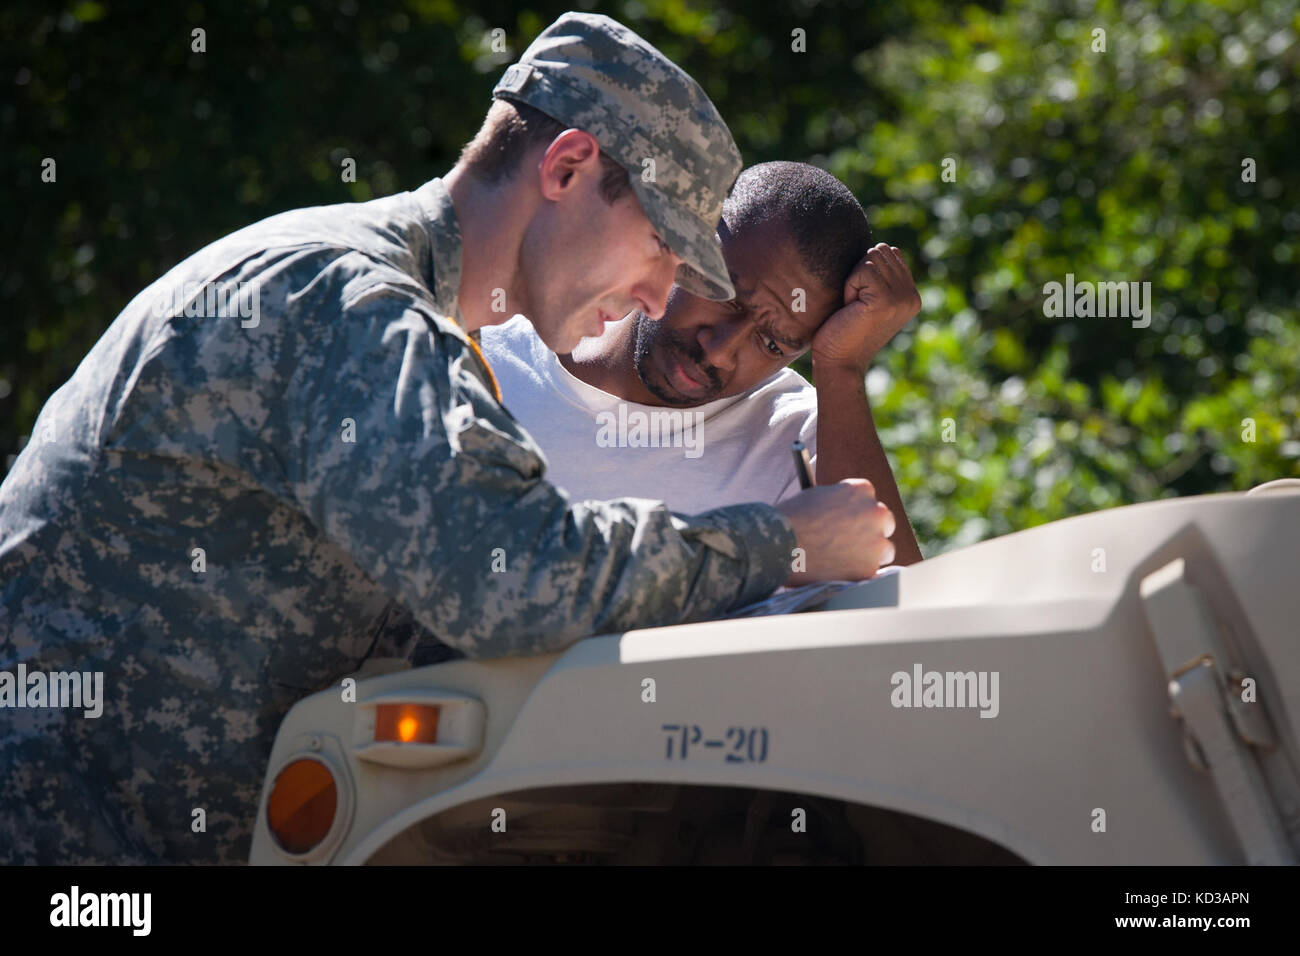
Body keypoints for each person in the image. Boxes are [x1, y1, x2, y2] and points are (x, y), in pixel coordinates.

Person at [0, 12, 893, 864]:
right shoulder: (346, 303)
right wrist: (785, 542)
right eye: (663, 248)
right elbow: (513, 578)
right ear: (569, 166)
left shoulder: (412, 326)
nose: (661, 301)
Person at [483, 161, 924, 565]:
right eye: (725, 296)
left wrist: (841, 369)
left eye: (771, 345)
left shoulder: (799, 434)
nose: (719, 351)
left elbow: (897, 629)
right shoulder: (490, 353)